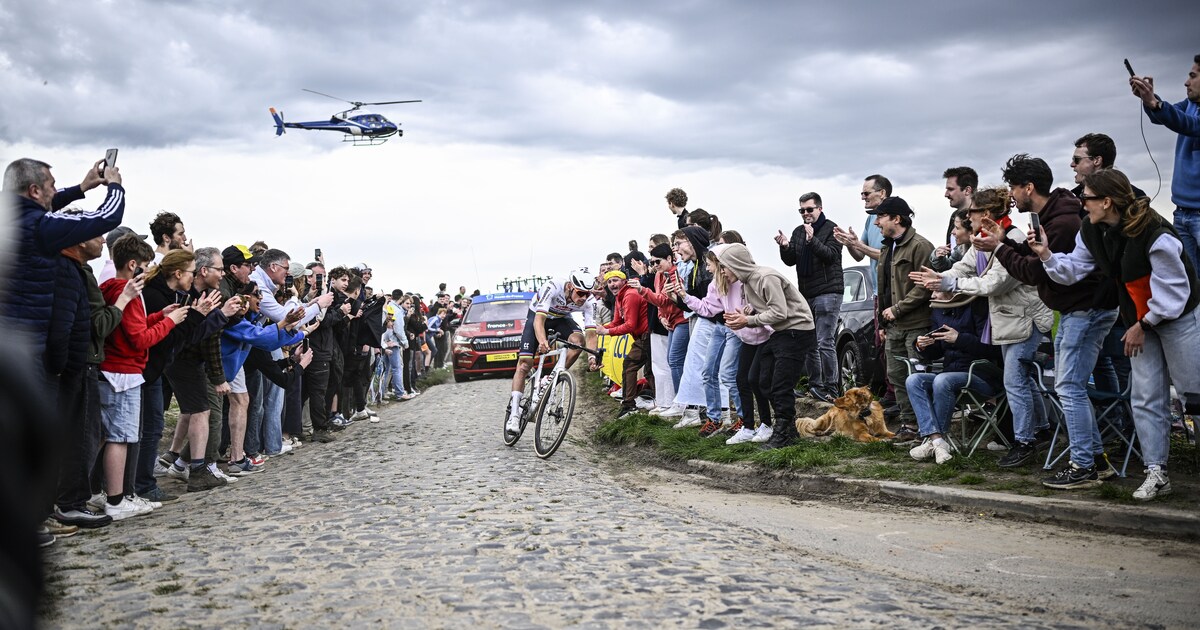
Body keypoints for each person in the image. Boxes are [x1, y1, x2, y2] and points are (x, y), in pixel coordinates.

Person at [1030, 169, 1200, 500]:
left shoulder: (1156, 234)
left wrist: (1143, 324)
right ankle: (1157, 472)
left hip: (1177, 317)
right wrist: (1046, 254)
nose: (1082, 203)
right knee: (1146, 396)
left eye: (1087, 197)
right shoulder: (1092, 230)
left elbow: (1174, 293)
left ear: (1106, 201)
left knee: (1195, 396)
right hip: (1141, 319)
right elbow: (1074, 271)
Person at [974, 154, 1120, 488]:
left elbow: (1033, 272)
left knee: (1069, 387)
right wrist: (1005, 241)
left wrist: (999, 247)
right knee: (1072, 387)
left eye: (1014, 186)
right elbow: (1032, 259)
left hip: (1085, 310)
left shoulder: (1062, 223)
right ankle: (1095, 461)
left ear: (1029, 187)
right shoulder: (1050, 215)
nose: (1011, 194)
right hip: (1077, 310)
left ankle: (1083, 466)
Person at [910, 187, 1054, 467]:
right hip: (1010, 320)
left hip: (1027, 319)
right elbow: (962, 269)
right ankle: (1042, 429)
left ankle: (1024, 442)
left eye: (972, 212)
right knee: (1020, 379)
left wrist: (949, 284)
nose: (967, 216)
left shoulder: (1012, 238)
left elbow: (994, 284)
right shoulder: (982, 240)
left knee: (1014, 380)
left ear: (986, 214)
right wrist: (939, 276)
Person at [98, 237, 189, 518]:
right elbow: (138, 339)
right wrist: (169, 323)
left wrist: (159, 315)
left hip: (115, 369)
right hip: (122, 373)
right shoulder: (122, 291)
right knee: (121, 437)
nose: (150, 270)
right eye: (147, 265)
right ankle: (116, 499)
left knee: (109, 436)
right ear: (133, 264)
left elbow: (130, 327)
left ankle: (105, 493)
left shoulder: (113, 289)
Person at [717, 244, 816, 450]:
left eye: (724, 267)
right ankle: (788, 429)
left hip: (797, 330)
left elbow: (779, 312)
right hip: (782, 332)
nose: (722, 272)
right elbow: (768, 307)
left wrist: (748, 320)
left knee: (780, 384)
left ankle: (783, 433)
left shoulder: (765, 277)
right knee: (760, 379)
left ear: (735, 264)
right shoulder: (748, 281)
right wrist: (749, 310)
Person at [906, 290, 1001, 465]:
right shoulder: (938, 312)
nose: (932, 295)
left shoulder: (977, 307)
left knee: (943, 379)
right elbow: (935, 353)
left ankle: (934, 442)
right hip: (951, 375)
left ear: (953, 292)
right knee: (914, 380)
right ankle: (937, 441)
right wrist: (922, 346)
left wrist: (959, 338)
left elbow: (993, 349)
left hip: (981, 376)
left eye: (937, 290)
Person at [504, 270, 600, 437]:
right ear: (570, 286)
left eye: (587, 293)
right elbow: (539, 320)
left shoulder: (590, 301)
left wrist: (592, 357)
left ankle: (550, 378)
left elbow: (591, 333)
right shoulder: (553, 286)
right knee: (525, 363)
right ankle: (514, 414)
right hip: (538, 316)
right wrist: (542, 342)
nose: (584, 297)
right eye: (580, 293)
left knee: (578, 342)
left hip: (561, 319)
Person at [870, 197, 934, 443]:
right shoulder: (887, 247)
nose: (877, 222)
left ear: (896, 218)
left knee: (916, 377)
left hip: (916, 324)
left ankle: (927, 428)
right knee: (896, 376)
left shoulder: (920, 246)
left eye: (881, 216)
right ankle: (909, 425)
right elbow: (884, 287)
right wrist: (884, 323)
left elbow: (925, 287)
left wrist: (897, 309)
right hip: (893, 326)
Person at [1130, 56, 1200, 269]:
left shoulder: (1192, 114)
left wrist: (1155, 102)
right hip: (1182, 212)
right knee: (1191, 281)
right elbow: (1163, 115)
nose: (1186, 82)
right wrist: (1148, 99)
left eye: (1193, 76)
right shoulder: (1190, 104)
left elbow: (1188, 124)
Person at [775, 191, 843, 402]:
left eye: (809, 209)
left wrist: (812, 240)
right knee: (809, 342)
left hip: (828, 292)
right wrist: (785, 246)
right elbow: (791, 260)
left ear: (819, 209)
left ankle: (831, 387)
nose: (805, 213)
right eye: (802, 210)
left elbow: (831, 256)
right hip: (806, 293)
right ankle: (816, 385)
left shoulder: (832, 229)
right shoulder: (798, 231)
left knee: (825, 341)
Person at [597, 270, 649, 419]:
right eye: (609, 282)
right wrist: (601, 329)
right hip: (642, 336)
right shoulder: (619, 297)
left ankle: (629, 406)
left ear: (624, 281)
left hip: (647, 335)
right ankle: (651, 401)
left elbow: (630, 325)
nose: (612, 284)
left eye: (615, 280)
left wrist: (607, 333)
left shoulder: (630, 295)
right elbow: (616, 322)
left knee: (629, 365)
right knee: (650, 370)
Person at [833, 174, 890, 282]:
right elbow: (859, 256)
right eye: (862, 194)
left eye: (866, 193)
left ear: (882, 193)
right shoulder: (870, 218)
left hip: (893, 291)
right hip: (877, 291)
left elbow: (892, 256)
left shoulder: (894, 219)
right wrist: (850, 244)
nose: (863, 197)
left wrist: (857, 244)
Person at [934, 167, 977, 269]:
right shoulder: (954, 216)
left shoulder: (983, 220)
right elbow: (953, 263)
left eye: (950, 189)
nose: (946, 194)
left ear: (967, 190)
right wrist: (938, 258)